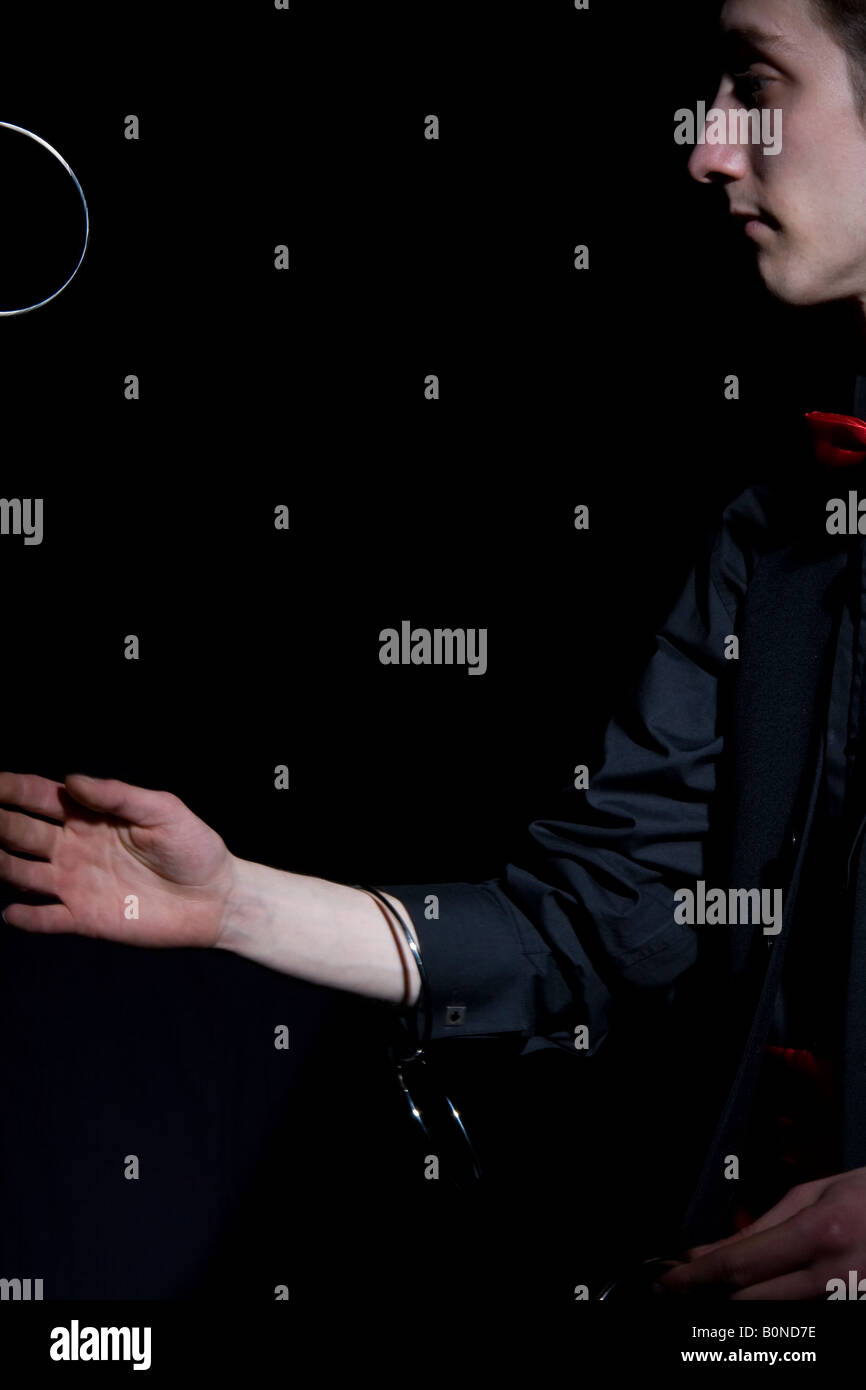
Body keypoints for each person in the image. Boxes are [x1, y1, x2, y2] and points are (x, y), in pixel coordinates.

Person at [3, 0, 866, 1301]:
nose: (706, 146)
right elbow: (598, 918)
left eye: (757, 81)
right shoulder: (775, 531)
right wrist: (232, 901)